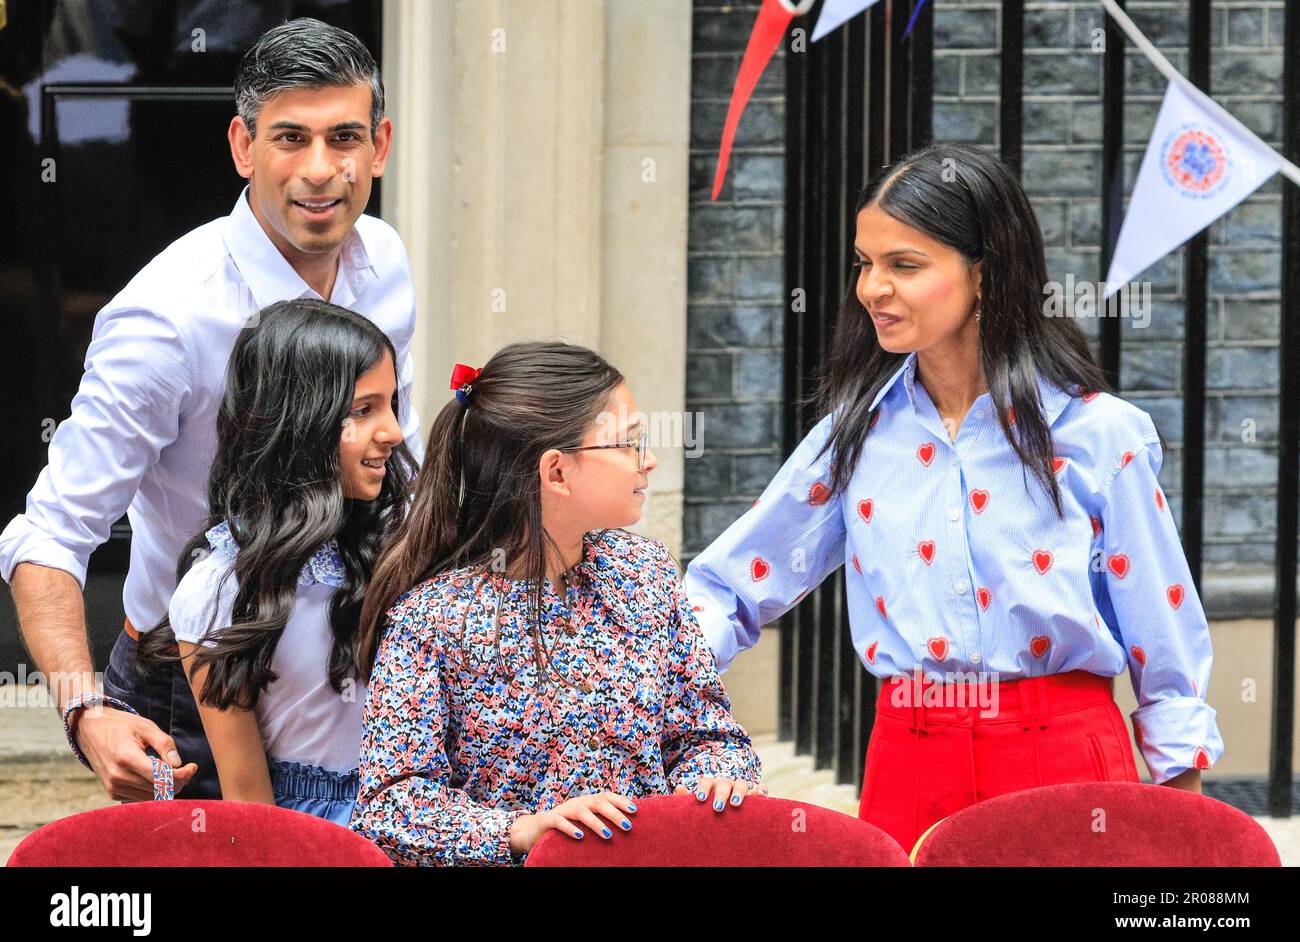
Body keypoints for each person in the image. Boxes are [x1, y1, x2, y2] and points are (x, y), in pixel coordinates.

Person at [683, 143, 1224, 854]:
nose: (873, 288)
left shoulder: (1097, 435)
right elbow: (729, 588)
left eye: (904, 265)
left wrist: (1183, 826)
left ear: (987, 274)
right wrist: (629, 687)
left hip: (1065, 766)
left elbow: (1164, 635)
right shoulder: (854, 436)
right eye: (864, 263)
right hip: (908, 766)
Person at [0, 18, 423, 801]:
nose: (322, 171)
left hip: (355, 662)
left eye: (345, 138)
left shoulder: (387, 261)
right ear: (242, 146)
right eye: (290, 138)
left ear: (382, 145)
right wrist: (85, 710)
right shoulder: (165, 319)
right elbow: (48, 534)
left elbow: (402, 451)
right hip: (194, 679)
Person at [349, 342, 762, 865]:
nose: (649, 460)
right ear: (556, 472)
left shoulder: (646, 574)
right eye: (628, 443)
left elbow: (706, 732)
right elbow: (390, 807)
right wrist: (522, 831)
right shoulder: (431, 621)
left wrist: (718, 777)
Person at [133, 300, 415, 824]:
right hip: (310, 833)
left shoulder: (406, 548)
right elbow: (249, 803)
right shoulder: (218, 591)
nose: (394, 432)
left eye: (392, 404)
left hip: (431, 818)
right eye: (363, 410)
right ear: (297, 421)